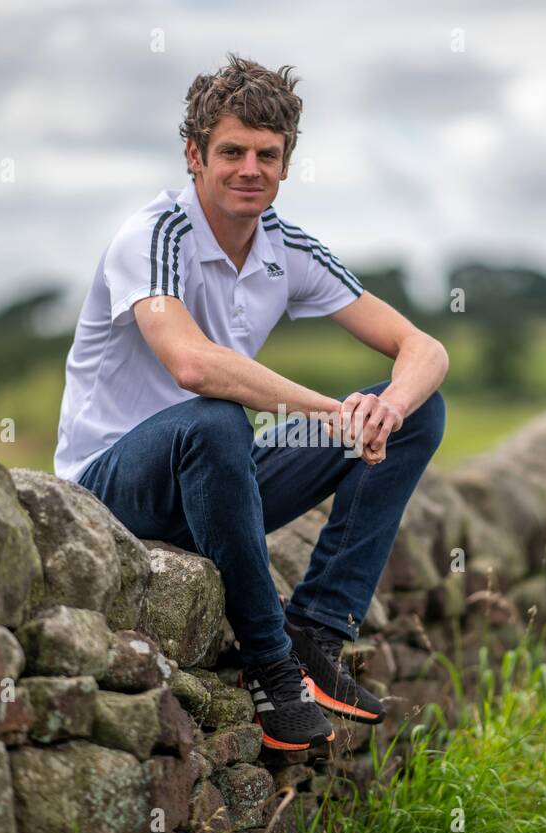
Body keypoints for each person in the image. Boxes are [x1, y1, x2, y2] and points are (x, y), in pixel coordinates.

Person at [54, 53, 448, 752]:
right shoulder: (153, 235)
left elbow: (423, 347)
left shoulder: (285, 248)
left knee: (416, 407)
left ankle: (319, 630)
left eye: (268, 155)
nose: (250, 169)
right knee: (214, 418)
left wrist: (383, 409)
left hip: (221, 476)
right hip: (111, 489)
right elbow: (193, 364)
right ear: (193, 155)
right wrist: (333, 411)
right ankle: (270, 663)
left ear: (287, 164)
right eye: (231, 151)